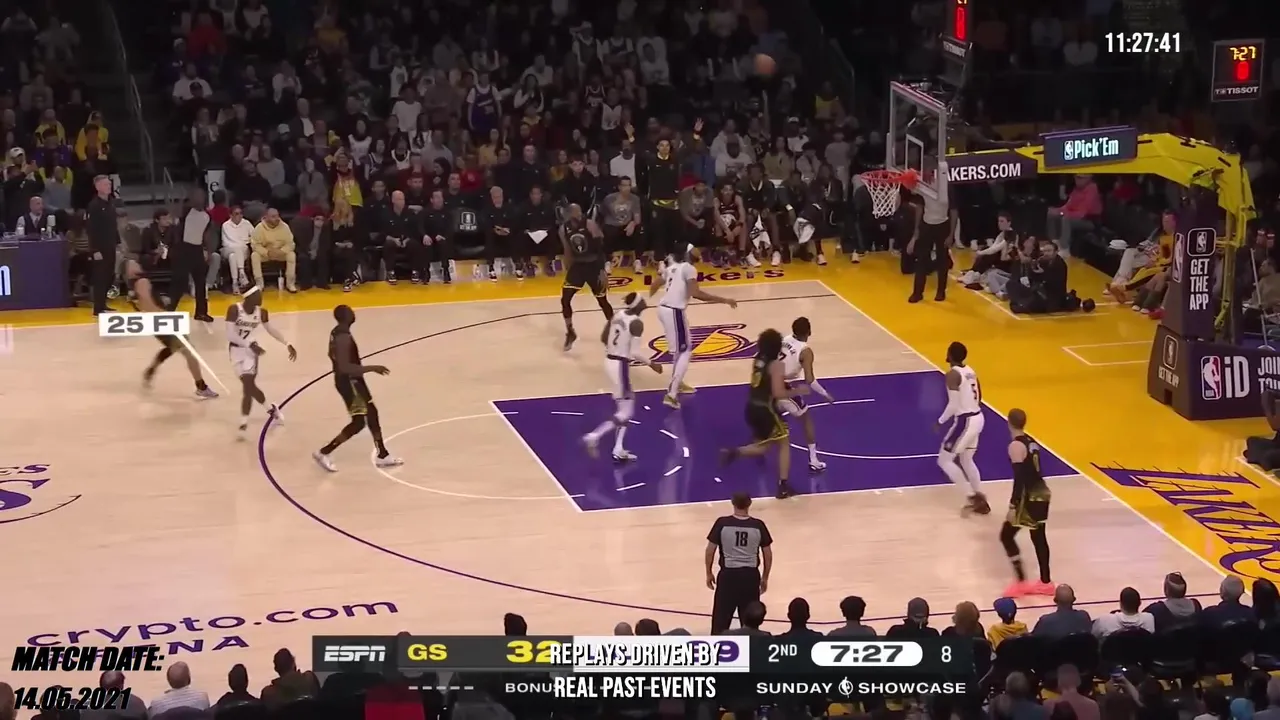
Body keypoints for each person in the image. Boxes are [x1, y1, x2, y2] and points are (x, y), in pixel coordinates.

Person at [313, 305, 403, 472]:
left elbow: (331, 355)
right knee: (359, 423)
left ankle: (382, 454)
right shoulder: (343, 337)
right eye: (350, 311)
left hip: (351, 381)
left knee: (372, 414)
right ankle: (324, 452)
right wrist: (373, 368)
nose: (353, 313)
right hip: (350, 383)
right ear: (345, 316)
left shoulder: (336, 332)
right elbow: (345, 367)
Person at [722, 329, 809, 499]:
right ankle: (783, 486)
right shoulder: (776, 365)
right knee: (784, 443)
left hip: (751, 406)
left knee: (764, 447)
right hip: (766, 410)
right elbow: (778, 393)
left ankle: (735, 452)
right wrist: (799, 390)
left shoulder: (758, 359)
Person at [648, 243, 738, 408]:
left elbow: (655, 284)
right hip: (674, 311)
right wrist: (724, 300)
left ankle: (678, 381)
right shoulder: (689, 268)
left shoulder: (673, 267)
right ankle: (671, 394)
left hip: (665, 309)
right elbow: (696, 294)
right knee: (685, 351)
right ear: (689, 253)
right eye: (695, 249)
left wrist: (645, 300)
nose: (699, 251)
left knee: (682, 347)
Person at [581, 292, 663, 462]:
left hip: (609, 361)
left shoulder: (617, 315)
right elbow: (635, 352)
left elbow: (604, 338)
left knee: (624, 408)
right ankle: (594, 436)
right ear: (638, 305)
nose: (645, 303)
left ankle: (618, 449)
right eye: (643, 301)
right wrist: (652, 364)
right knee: (626, 412)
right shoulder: (636, 323)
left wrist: (616, 346)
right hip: (619, 366)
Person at [124, 258, 218, 399]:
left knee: (173, 347)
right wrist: (164, 315)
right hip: (161, 322)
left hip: (153, 323)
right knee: (189, 351)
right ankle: (201, 387)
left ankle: (152, 369)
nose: (135, 264)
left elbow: (144, 305)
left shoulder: (134, 287)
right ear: (129, 271)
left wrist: (161, 302)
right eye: (132, 264)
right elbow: (148, 305)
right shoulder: (142, 282)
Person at [225, 286, 295, 438]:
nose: (261, 297)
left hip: (251, 352)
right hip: (236, 351)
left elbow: (271, 330)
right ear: (248, 297)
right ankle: (271, 409)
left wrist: (287, 343)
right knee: (250, 387)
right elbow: (230, 335)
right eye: (258, 295)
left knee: (247, 386)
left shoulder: (261, 312)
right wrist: (248, 344)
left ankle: (243, 423)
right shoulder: (234, 310)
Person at [1001, 408, 1054, 598]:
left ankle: (1021, 582)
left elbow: (1020, 479)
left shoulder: (1015, 446)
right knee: (1038, 537)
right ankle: (1046, 583)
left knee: (1006, 535)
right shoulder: (1032, 442)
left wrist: (1013, 505)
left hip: (1030, 496)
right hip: (1042, 492)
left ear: (1009, 423)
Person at [704, 492, 773, 634]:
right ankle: (750, 645)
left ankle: (717, 645)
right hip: (750, 577)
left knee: (720, 620)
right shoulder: (758, 525)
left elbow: (710, 550)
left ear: (733, 503)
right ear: (750, 504)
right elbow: (768, 554)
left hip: (728, 576)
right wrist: (765, 577)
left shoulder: (722, 523)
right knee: (750, 622)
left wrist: (709, 573)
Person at [937, 341, 989, 514]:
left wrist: (940, 422)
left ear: (950, 355)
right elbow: (980, 396)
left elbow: (952, 405)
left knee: (944, 460)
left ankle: (972, 497)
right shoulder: (971, 371)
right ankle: (980, 498)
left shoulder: (952, 375)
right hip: (978, 417)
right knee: (966, 459)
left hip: (966, 421)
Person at [777, 317, 833, 472]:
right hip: (780, 385)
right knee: (806, 417)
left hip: (765, 382)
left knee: (774, 413)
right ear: (809, 332)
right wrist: (825, 394)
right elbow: (810, 380)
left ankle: (758, 445)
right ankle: (814, 460)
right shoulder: (805, 351)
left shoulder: (784, 340)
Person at [559, 203, 613, 351]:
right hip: (577, 266)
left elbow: (601, 247)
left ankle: (614, 330)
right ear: (569, 214)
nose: (579, 214)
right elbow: (567, 249)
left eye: (580, 211)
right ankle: (570, 331)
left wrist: (602, 270)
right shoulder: (563, 229)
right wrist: (568, 268)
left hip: (594, 266)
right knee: (565, 299)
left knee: (602, 301)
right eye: (576, 212)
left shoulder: (590, 224)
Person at [906, 169, 954, 303]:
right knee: (921, 259)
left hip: (943, 225)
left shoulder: (947, 187)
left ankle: (941, 291)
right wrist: (916, 231)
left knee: (942, 260)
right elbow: (919, 208)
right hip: (926, 225)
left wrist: (951, 234)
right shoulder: (923, 186)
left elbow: (954, 211)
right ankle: (917, 293)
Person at [169, 190, 216, 323]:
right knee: (180, 281)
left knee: (200, 282)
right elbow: (176, 215)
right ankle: (170, 310)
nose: (198, 199)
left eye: (201, 197)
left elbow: (206, 235)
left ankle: (201, 312)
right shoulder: (186, 211)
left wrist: (208, 251)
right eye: (196, 197)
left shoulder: (207, 216)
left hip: (197, 249)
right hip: (183, 249)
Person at [87, 175, 119, 315]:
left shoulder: (111, 203)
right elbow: (91, 229)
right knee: (100, 276)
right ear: (98, 187)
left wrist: (118, 242)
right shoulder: (94, 206)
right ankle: (98, 307)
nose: (109, 187)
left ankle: (103, 304)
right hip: (100, 247)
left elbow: (113, 225)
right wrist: (94, 250)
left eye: (109, 184)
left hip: (111, 245)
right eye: (105, 184)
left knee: (108, 275)